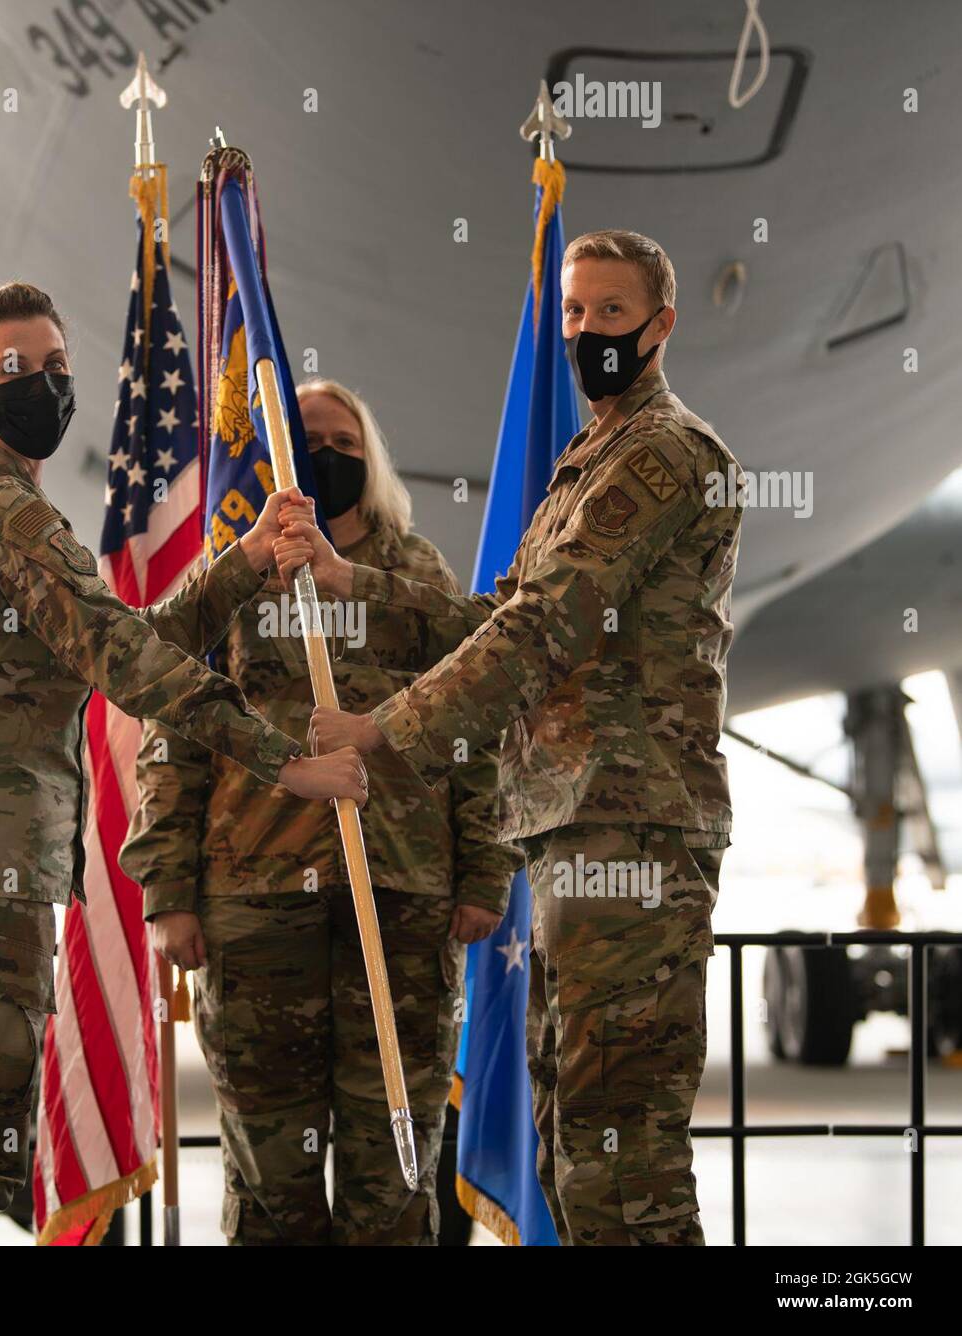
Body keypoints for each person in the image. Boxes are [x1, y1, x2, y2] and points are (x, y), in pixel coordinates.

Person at [276, 231, 744, 1246]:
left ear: (660, 326)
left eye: (609, 314)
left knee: (624, 1151)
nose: (582, 333)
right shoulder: (589, 460)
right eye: (571, 314)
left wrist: (381, 736)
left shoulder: (660, 455)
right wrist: (355, 582)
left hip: (632, 830)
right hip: (575, 828)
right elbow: (501, 609)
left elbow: (544, 625)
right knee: (571, 1136)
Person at [0, 281, 367, 1246]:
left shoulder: (7, 507)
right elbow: (128, 663)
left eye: (59, 367)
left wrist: (245, 562)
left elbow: (117, 640)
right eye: (18, 369)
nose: (45, 386)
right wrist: (287, 766)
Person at [120, 378, 519, 1245]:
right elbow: (174, 732)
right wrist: (170, 891)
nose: (330, 455)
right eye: (310, 440)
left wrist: (486, 870)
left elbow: (477, 725)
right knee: (271, 1171)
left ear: (369, 458)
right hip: (254, 898)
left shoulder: (413, 576)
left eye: (346, 441)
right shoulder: (233, 575)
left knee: (395, 1165)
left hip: (402, 895)